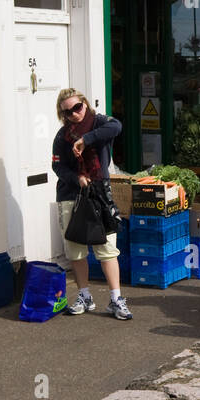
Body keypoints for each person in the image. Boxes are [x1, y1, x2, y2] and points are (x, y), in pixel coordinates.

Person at [51, 87, 131, 320]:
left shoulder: (99, 123)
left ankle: (116, 299)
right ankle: (84, 295)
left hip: (99, 193)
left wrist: (86, 139)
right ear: (62, 115)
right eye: (67, 112)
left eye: (77, 107)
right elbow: (58, 166)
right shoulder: (62, 136)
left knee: (106, 248)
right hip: (71, 195)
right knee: (75, 250)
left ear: (85, 104)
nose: (74, 114)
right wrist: (76, 179)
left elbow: (117, 126)